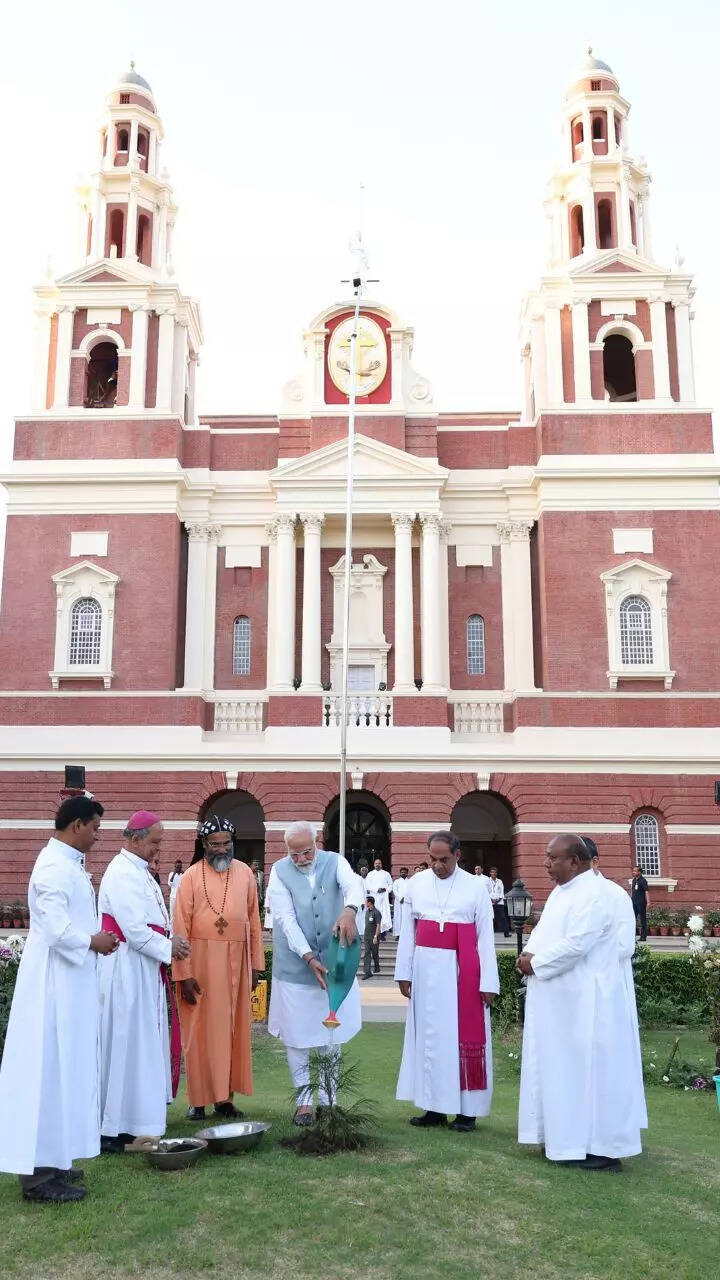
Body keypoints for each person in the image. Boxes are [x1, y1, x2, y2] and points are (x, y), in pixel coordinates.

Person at [0, 796, 118, 1202]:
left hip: (70, 985)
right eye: (95, 828)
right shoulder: (52, 866)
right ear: (77, 825)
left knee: (66, 1072)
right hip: (51, 988)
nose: (98, 836)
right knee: (47, 1074)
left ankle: (55, 1158)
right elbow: (54, 928)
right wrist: (92, 941)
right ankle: (36, 1177)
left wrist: (93, 942)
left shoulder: (68, 864)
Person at [517, 834, 646, 1171]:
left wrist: (537, 963)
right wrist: (528, 953)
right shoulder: (562, 892)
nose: (546, 864)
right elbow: (545, 933)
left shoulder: (597, 895)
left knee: (593, 1075)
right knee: (564, 1072)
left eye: (552, 857)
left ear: (574, 861)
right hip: (561, 1002)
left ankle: (602, 1149)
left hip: (588, 1002)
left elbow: (577, 944)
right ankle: (564, 1140)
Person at [98, 812, 190, 1152]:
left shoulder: (139, 871)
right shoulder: (121, 872)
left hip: (142, 969)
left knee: (141, 1046)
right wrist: (169, 947)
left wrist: (170, 941)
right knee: (126, 1045)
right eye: (155, 841)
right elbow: (135, 931)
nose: (158, 848)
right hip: (125, 970)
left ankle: (136, 1120)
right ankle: (115, 1126)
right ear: (134, 838)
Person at [395, 831, 499, 1133]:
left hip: (461, 970)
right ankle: (434, 1107)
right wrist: (404, 972)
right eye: (433, 859)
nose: (438, 866)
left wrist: (488, 982)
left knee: (461, 1039)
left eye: (444, 860)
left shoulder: (476, 887)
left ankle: (468, 1112)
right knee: (430, 1039)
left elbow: (485, 936)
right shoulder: (416, 884)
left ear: (457, 855)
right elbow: (408, 932)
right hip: (426, 971)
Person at [267, 821, 363, 1125]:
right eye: (294, 854)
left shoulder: (336, 862)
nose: (300, 859)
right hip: (295, 967)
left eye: (306, 852)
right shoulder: (279, 871)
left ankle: (329, 1100)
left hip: (334, 963)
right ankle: (304, 1103)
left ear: (317, 842)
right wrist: (307, 956)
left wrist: (349, 910)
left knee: (330, 1037)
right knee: (297, 1037)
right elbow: (285, 918)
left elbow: (354, 886)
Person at [172, 814, 263, 1122]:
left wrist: (256, 966)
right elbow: (180, 928)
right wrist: (184, 974)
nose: (222, 849)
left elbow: (254, 922)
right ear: (204, 844)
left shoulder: (245, 874)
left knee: (232, 1033)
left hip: (237, 962)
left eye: (226, 843)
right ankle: (198, 1101)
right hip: (200, 963)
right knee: (199, 1033)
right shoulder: (190, 877)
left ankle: (225, 1099)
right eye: (215, 844)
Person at [585, 839, 648, 1136]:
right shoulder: (565, 894)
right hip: (576, 992)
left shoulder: (614, 895)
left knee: (609, 1059)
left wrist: (581, 952)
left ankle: (613, 1129)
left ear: (594, 861)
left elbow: (624, 946)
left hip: (607, 987)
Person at [366, 858, 393, 936]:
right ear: (374, 865)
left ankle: (382, 933)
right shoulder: (370, 874)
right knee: (374, 914)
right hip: (374, 897)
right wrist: (376, 890)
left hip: (383, 897)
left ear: (381, 865)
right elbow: (367, 885)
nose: (377, 865)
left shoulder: (386, 874)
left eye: (379, 863)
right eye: (376, 863)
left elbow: (391, 885)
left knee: (383, 914)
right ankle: (374, 933)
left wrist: (385, 889)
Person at [362, 895, 382, 979]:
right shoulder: (367, 912)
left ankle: (377, 967)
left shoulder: (376, 912)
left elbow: (378, 925)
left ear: (370, 903)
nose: (365, 903)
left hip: (374, 936)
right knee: (367, 953)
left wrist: (375, 936)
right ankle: (367, 972)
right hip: (367, 936)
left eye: (366, 901)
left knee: (374, 953)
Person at [488, 867, 511, 937]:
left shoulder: (499, 881)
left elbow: (501, 891)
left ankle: (506, 933)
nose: (493, 873)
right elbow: (486, 891)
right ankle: (489, 933)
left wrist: (498, 899)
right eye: (492, 872)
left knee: (503, 918)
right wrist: (491, 900)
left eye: (495, 872)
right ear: (490, 873)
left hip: (499, 903)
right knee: (491, 918)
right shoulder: (487, 881)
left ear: (496, 873)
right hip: (490, 903)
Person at [631, 863, 650, 941]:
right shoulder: (634, 880)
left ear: (639, 872)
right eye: (633, 871)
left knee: (643, 920)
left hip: (641, 903)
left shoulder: (643, 881)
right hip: (634, 902)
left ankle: (643, 937)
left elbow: (646, 892)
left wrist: (648, 902)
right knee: (632, 919)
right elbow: (632, 891)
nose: (633, 872)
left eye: (635, 871)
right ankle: (632, 935)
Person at [392, 867, 409, 938]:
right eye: (402, 872)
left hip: (407, 902)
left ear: (407, 873)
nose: (403, 873)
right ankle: (398, 935)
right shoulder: (396, 881)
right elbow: (394, 890)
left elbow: (410, 891)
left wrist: (405, 898)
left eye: (404, 872)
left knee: (406, 918)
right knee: (398, 918)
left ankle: (406, 935)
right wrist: (400, 898)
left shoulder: (410, 882)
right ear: (400, 873)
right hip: (398, 902)